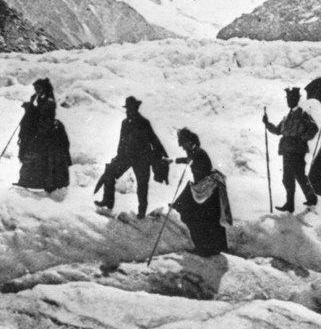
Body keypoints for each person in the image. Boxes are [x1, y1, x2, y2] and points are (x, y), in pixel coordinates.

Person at [93, 96, 168, 218]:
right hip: (126, 156)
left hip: (142, 159)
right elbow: (122, 142)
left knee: (142, 185)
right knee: (110, 172)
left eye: (130, 109)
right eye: (127, 109)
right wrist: (118, 157)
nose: (127, 111)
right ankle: (108, 202)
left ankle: (142, 211)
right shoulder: (125, 123)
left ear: (135, 108)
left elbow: (154, 140)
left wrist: (163, 156)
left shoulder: (144, 123)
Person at [169, 128, 231, 256]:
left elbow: (194, 162)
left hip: (208, 190)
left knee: (205, 219)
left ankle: (206, 249)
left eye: (184, 144)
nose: (183, 147)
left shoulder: (198, 153)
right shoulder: (195, 152)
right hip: (206, 190)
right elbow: (188, 159)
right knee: (208, 219)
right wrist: (175, 160)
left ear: (189, 141)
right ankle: (212, 248)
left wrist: (185, 161)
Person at [264, 87, 319, 212]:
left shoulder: (303, 115)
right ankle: (295, 203)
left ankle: (306, 199)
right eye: (288, 99)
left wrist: (302, 139)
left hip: (297, 151)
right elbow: (278, 131)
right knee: (291, 178)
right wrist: (267, 123)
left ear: (297, 99)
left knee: (296, 176)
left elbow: (313, 129)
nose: (289, 101)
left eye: (292, 98)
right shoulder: (286, 117)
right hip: (287, 151)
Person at [15, 78, 71, 193]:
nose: (37, 91)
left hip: (47, 134)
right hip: (39, 131)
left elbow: (45, 118)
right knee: (36, 158)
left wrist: (32, 111)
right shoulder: (38, 98)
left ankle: (46, 184)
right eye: (36, 88)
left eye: (39, 88)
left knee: (45, 159)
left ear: (44, 88)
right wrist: (29, 107)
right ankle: (27, 181)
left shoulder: (49, 102)